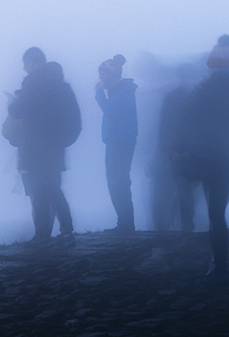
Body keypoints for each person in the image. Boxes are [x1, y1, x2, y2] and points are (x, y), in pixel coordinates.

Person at [175, 35, 229, 285]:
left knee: (212, 211)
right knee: (218, 211)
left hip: (208, 157)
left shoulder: (205, 89)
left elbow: (188, 119)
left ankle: (218, 267)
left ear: (213, 66)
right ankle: (219, 266)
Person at [7, 47, 81, 244]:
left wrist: (13, 102)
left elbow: (17, 109)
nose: (26, 69)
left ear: (32, 63)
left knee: (39, 191)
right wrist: (65, 140)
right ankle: (67, 229)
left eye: (26, 65)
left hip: (34, 146)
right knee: (54, 188)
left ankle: (42, 235)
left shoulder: (33, 84)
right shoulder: (62, 86)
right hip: (55, 147)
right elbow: (75, 118)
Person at [150, 63, 201, 232]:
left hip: (188, 152)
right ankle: (168, 227)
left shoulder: (196, 97)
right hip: (175, 151)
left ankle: (185, 226)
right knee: (174, 190)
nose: (185, 80)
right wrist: (165, 149)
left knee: (185, 191)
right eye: (183, 77)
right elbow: (164, 126)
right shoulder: (174, 98)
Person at [96, 54, 138, 234]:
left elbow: (110, 111)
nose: (100, 78)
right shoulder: (120, 91)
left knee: (118, 182)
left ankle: (126, 224)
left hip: (120, 141)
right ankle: (124, 222)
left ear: (112, 75)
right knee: (116, 182)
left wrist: (98, 94)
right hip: (117, 140)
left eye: (102, 74)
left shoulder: (123, 92)